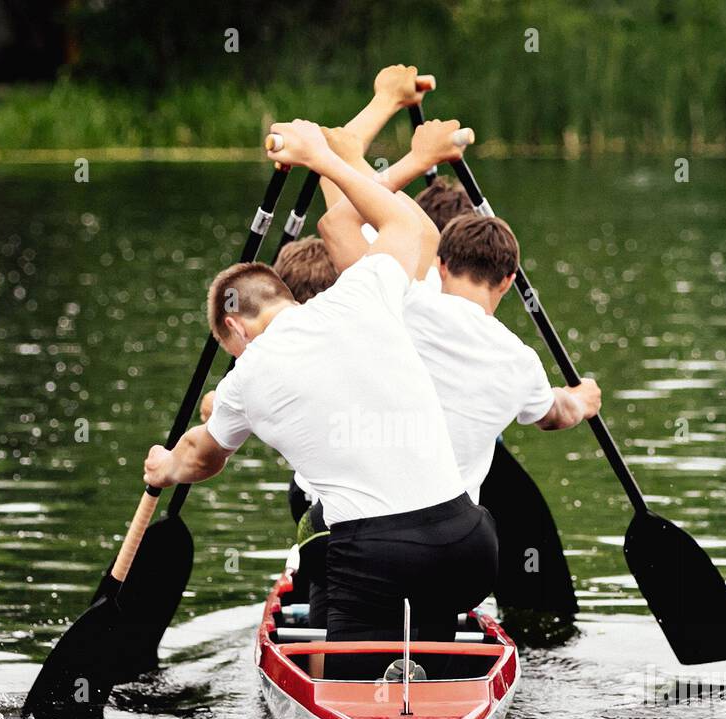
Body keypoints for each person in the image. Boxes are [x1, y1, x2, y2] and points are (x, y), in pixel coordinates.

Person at [142, 111, 497, 663]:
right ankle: (429, 693)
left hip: (378, 557)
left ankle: (379, 714)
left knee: (357, 687)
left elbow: (200, 458)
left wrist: (164, 467)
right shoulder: (362, 291)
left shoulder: (248, 374)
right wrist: (325, 160)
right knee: (427, 658)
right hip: (470, 546)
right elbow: (416, 230)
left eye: (230, 346)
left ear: (234, 328)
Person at [316, 125, 603, 507]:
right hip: (455, 533)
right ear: (508, 281)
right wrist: (582, 401)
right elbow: (555, 414)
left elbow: (338, 222)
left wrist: (344, 162)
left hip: (372, 514)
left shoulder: (397, 301)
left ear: (441, 264)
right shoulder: (521, 362)